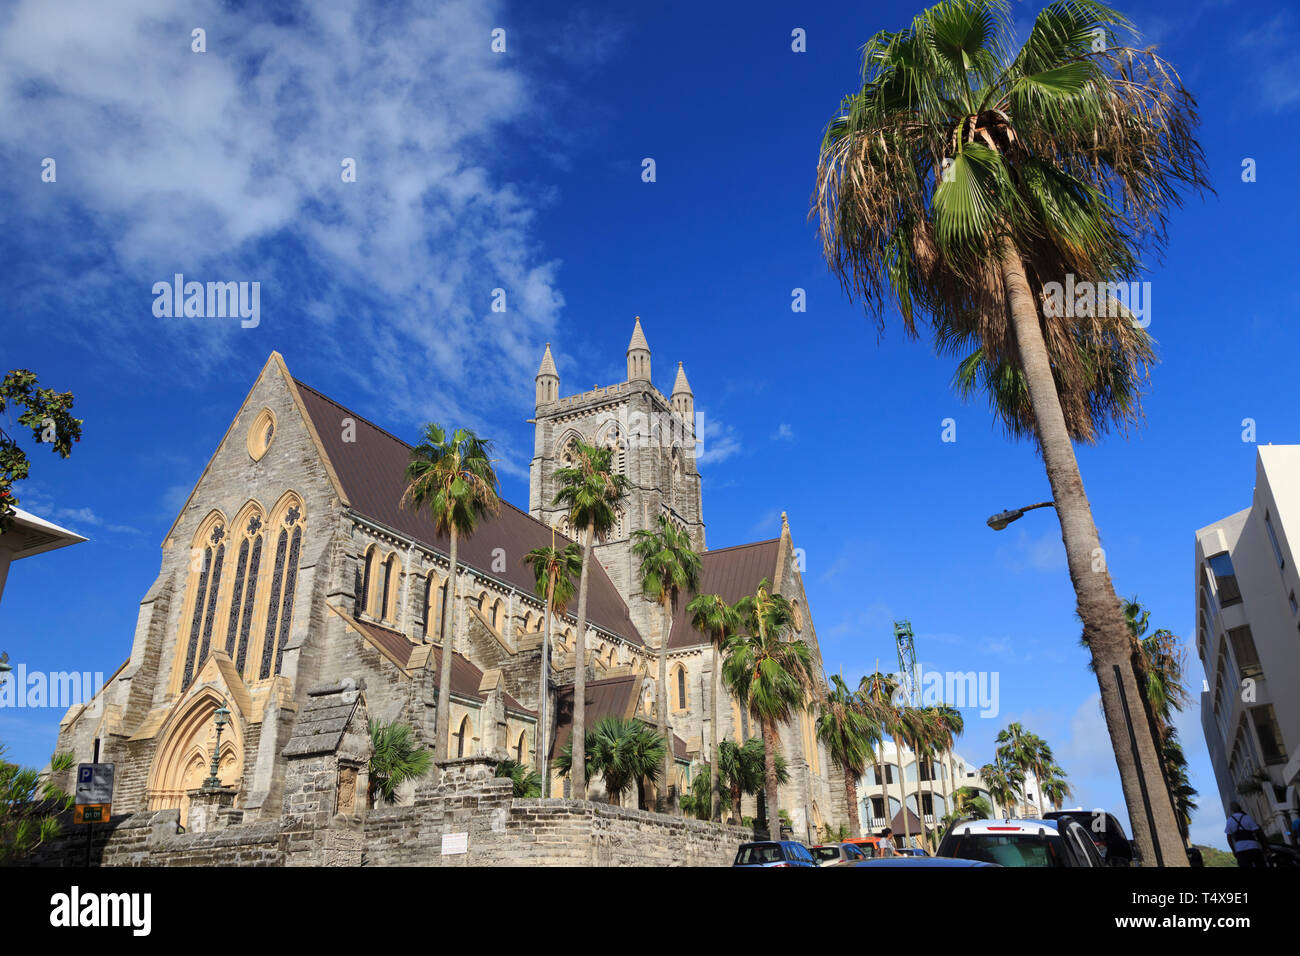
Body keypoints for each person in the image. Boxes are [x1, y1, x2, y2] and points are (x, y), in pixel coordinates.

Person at [1225, 802, 1268, 868]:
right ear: (1240, 807)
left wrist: (1234, 850)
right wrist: (1264, 846)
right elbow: (1257, 831)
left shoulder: (1229, 821)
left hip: (1240, 849)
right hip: (1253, 846)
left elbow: (1229, 838)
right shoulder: (1247, 817)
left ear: (1232, 810)